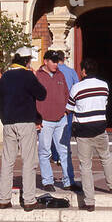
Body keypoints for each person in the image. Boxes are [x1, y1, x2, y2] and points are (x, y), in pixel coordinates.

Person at [0, 48, 48, 210]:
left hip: (9, 123)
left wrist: (6, 120)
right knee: (28, 161)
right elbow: (42, 94)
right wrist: (34, 77)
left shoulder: (5, 77)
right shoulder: (27, 75)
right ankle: (29, 200)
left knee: (7, 161)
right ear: (27, 61)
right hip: (25, 122)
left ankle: (4, 199)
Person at [66, 57, 112, 209]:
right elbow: (105, 102)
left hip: (83, 130)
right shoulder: (104, 86)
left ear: (83, 71)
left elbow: (69, 107)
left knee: (85, 165)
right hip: (100, 127)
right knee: (106, 156)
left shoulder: (76, 87)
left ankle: (89, 201)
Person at [35, 50, 76, 192]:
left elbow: (67, 94)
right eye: (53, 61)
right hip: (45, 120)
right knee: (45, 151)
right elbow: (33, 98)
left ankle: (68, 181)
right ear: (45, 61)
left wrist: (66, 111)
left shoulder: (60, 75)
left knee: (64, 151)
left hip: (61, 119)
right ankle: (47, 181)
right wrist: (36, 118)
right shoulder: (37, 76)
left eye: (57, 61)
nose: (55, 64)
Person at [50, 50, 78, 184]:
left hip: (53, 107)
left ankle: (55, 156)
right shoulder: (71, 72)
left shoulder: (51, 71)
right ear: (65, 58)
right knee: (65, 135)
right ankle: (63, 159)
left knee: (52, 133)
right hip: (68, 107)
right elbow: (76, 87)